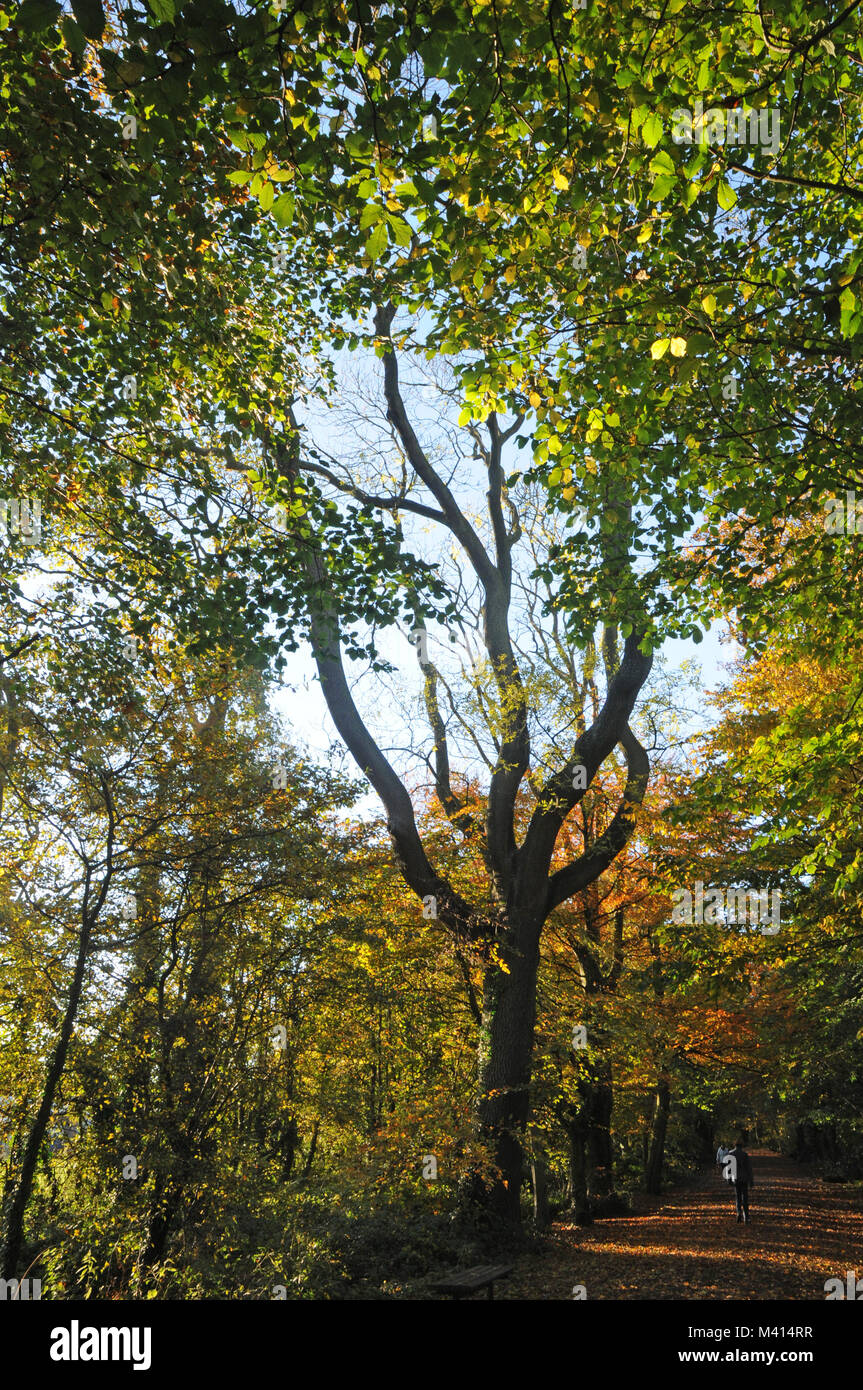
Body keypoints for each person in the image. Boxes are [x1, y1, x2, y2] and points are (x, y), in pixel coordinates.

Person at [726, 1138, 754, 1223]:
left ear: (735, 1145)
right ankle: (746, 1215)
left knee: (738, 1197)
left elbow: (728, 1168)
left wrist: (729, 1178)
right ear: (741, 1146)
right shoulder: (745, 1155)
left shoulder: (731, 1153)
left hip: (736, 1178)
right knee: (745, 1197)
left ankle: (738, 1213)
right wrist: (751, 1180)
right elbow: (749, 1168)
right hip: (744, 1178)